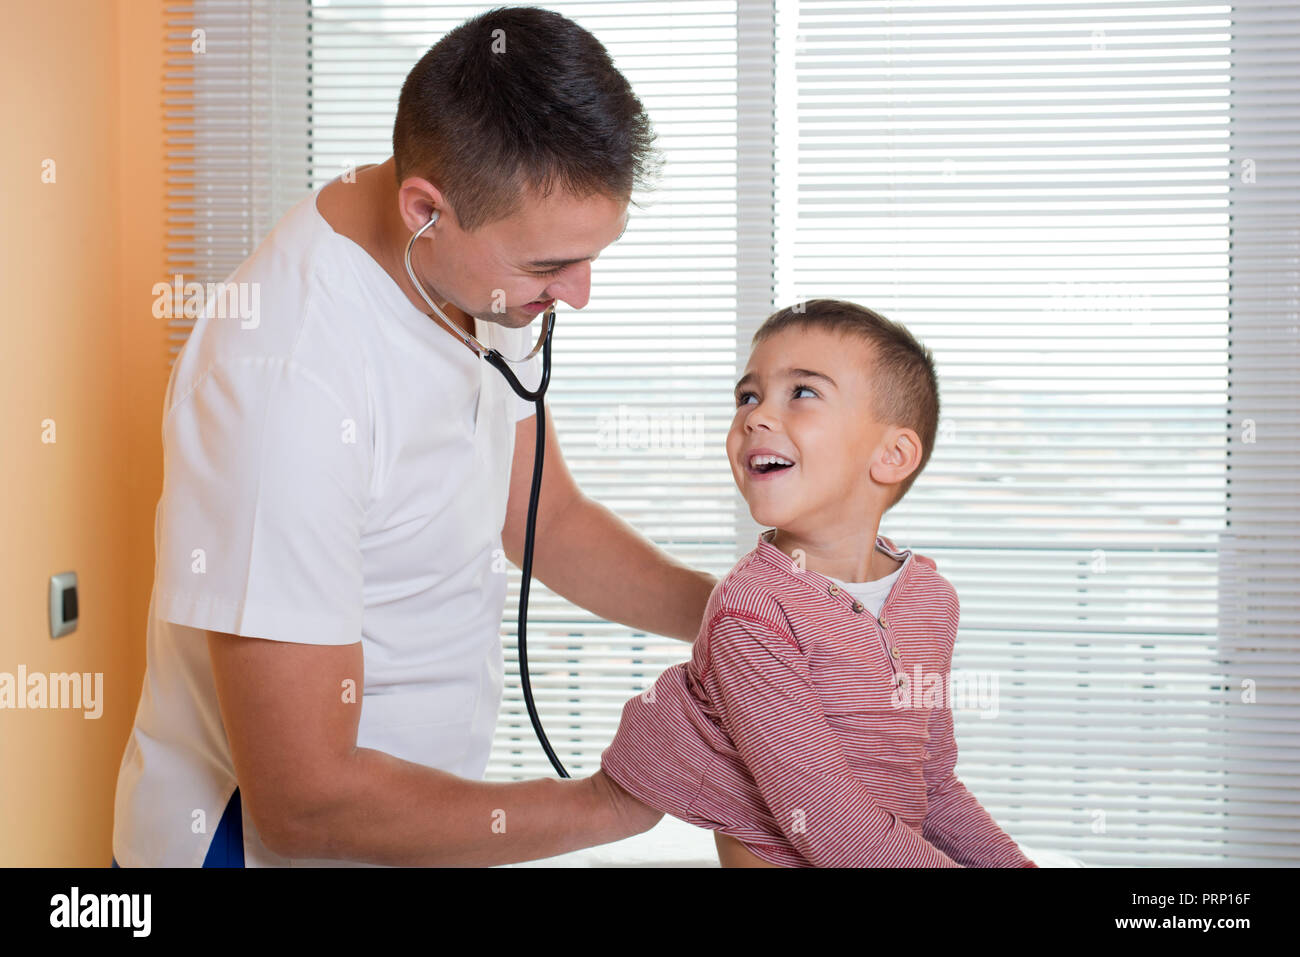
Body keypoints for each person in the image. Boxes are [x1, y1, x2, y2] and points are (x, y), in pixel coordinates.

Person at [111, 6, 718, 867]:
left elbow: (541, 516)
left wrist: (730, 617)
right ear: (425, 209)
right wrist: (612, 806)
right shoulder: (286, 385)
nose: (579, 294)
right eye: (550, 266)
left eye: (590, 257)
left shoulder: (471, 267)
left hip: (411, 830)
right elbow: (304, 803)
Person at [599, 299, 1038, 868]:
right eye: (748, 396)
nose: (754, 416)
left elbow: (932, 785)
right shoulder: (751, 612)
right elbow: (826, 817)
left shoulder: (930, 601)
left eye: (801, 392)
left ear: (892, 455)